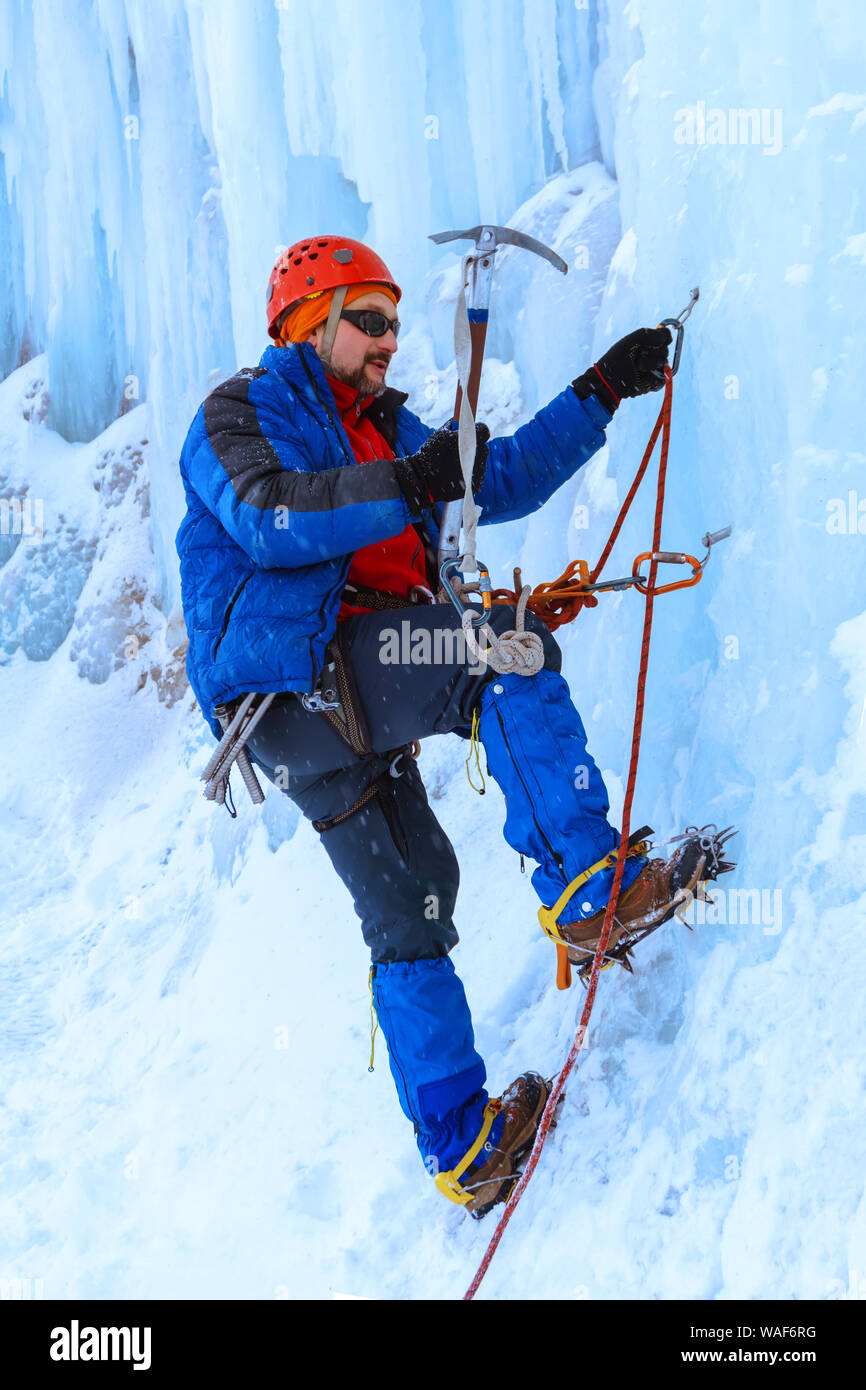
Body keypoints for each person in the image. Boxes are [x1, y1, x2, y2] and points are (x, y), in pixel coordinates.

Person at [176, 235, 726, 1218]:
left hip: (331, 701)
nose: (390, 341)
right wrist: (409, 483)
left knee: (412, 901)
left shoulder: (383, 427)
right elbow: (271, 518)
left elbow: (497, 476)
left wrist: (600, 387)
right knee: (500, 651)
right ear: (310, 320)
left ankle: (463, 1144)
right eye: (370, 319)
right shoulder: (239, 414)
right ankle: (585, 884)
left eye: (394, 321)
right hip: (300, 683)